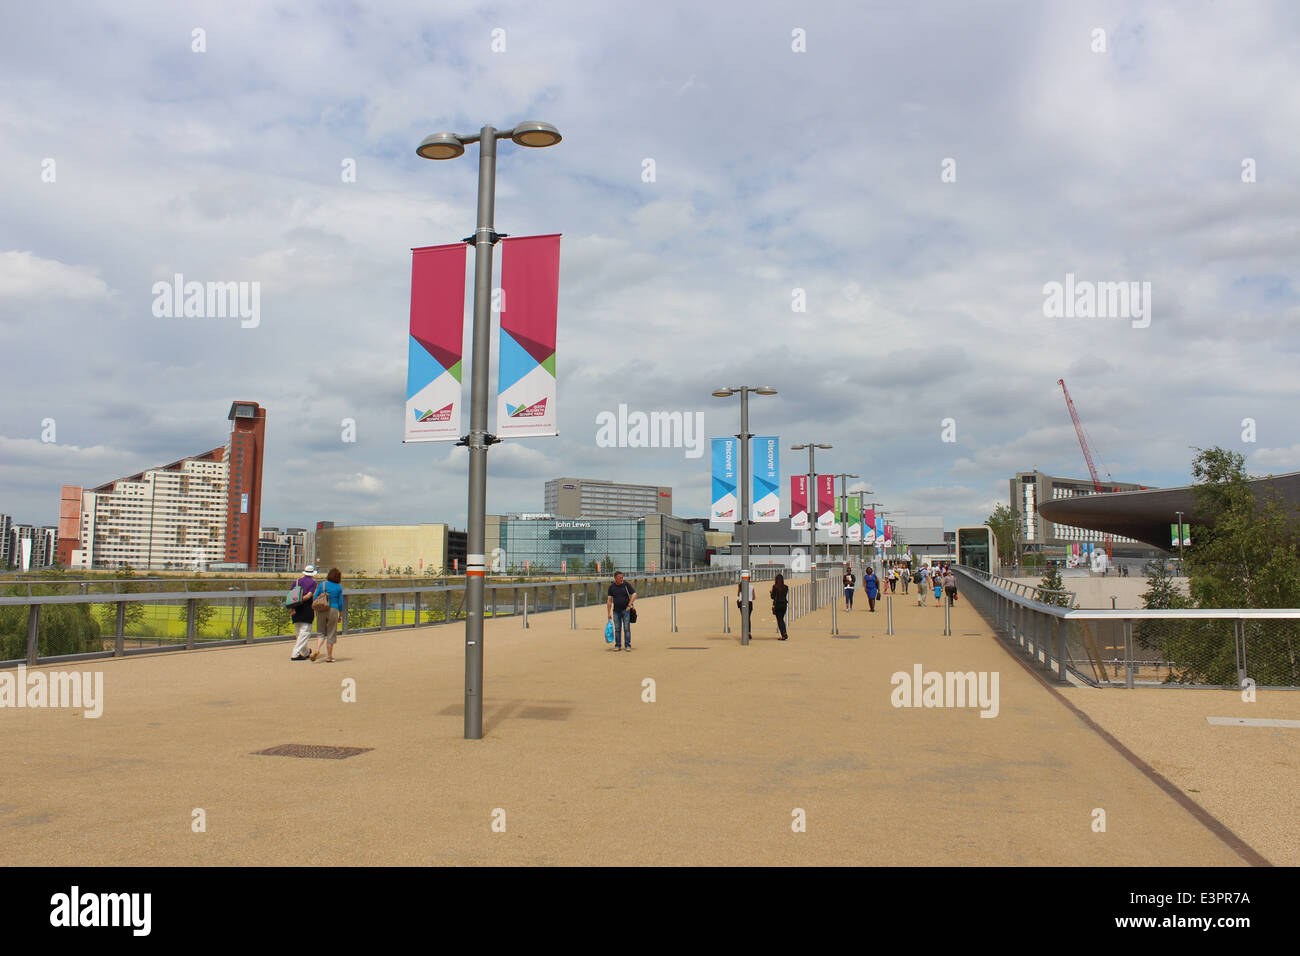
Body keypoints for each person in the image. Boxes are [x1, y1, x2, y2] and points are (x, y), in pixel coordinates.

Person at [310, 568, 343, 662]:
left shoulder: (322, 584)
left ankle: (317, 649)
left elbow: (316, 597)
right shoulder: (338, 587)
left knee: (321, 632)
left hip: (322, 609)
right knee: (331, 633)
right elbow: (340, 603)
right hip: (333, 609)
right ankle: (329, 656)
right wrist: (340, 614)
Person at [290, 565, 318, 661]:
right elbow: (309, 596)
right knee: (305, 632)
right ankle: (295, 653)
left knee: (299, 633)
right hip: (307, 608)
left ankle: (306, 652)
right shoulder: (313, 583)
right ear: (312, 574)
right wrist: (302, 600)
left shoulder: (296, 581)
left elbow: (291, 595)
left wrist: (294, 606)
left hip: (296, 608)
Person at [607, 571, 637, 651]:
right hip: (616, 611)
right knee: (617, 629)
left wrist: (629, 605)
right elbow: (609, 600)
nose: (621, 579)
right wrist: (608, 613)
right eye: (620, 578)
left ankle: (627, 645)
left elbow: (634, 594)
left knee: (626, 628)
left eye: (622, 577)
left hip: (625, 610)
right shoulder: (611, 587)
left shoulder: (626, 585)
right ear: (615, 578)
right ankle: (618, 645)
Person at [771, 573, 790, 640]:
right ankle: (784, 633)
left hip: (778, 605)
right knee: (781, 619)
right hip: (784, 604)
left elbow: (772, 597)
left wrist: (771, 592)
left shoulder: (775, 587)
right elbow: (784, 595)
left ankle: (784, 634)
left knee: (780, 620)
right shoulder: (786, 587)